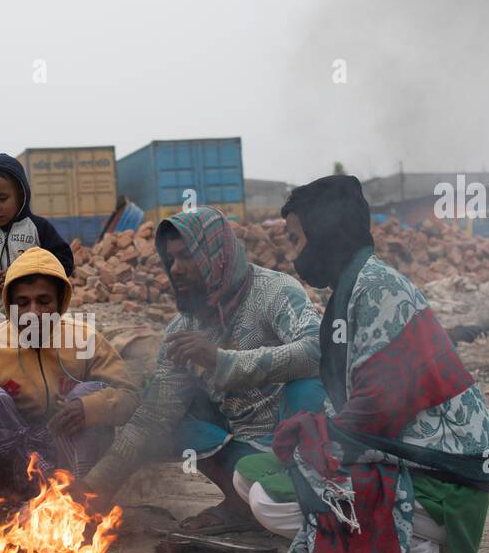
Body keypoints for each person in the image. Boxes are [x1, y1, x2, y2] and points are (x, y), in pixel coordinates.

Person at [236, 174, 489, 553]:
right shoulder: (354, 288)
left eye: (296, 238)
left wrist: (316, 440)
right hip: (410, 455)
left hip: (447, 476)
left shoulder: (376, 289)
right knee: (250, 476)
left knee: (275, 499)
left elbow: (378, 409)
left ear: (325, 232)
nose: (291, 254)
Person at [82, 206, 323, 529]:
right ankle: (241, 506)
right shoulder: (183, 328)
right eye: (172, 260)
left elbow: (316, 350)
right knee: (171, 419)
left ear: (216, 255)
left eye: (186, 257)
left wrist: (220, 360)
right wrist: (93, 487)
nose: (176, 269)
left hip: (294, 441)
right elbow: (153, 418)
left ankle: (311, 496)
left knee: (308, 387)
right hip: (243, 450)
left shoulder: (274, 291)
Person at [0, 247, 139, 497]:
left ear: (60, 302)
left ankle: (73, 497)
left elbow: (130, 395)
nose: (33, 313)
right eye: (22, 302)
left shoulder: (84, 339)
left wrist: (88, 407)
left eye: (44, 301)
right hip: (11, 457)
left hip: (68, 454)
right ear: (10, 304)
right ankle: (15, 490)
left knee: (89, 391)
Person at [0, 153, 75, 305]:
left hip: (35, 312)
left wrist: (30, 273)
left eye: (2, 198)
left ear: (20, 195)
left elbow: (64, 261)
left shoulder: (38, 228)